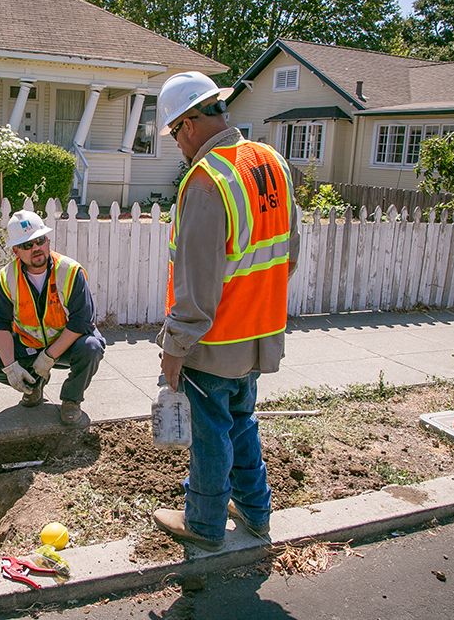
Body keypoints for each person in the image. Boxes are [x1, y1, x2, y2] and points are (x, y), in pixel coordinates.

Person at [151, 72, 300, 552]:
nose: (177, 144)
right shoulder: (271, 162)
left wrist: (174, 348)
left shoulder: (207, 180)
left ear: (189, 124)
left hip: (214, 342)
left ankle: (205, 523)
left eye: (175, 133)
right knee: (241, 421)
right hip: (260, 332)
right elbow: (288, 253)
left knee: (211, 433)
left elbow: (196, 284)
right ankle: (256, 511)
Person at [0, 210, 105, 425]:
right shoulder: (6, 278)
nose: (36, 248)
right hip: (29, 344)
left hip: (67, 345)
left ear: (47, 240)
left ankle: (71, 400)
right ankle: (34, 386)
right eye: (27, 245)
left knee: (92, 347)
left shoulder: (70, 271)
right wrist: (11, 368)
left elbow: (81, 322)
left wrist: (48, 356)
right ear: (16, 251)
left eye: (40, 240)